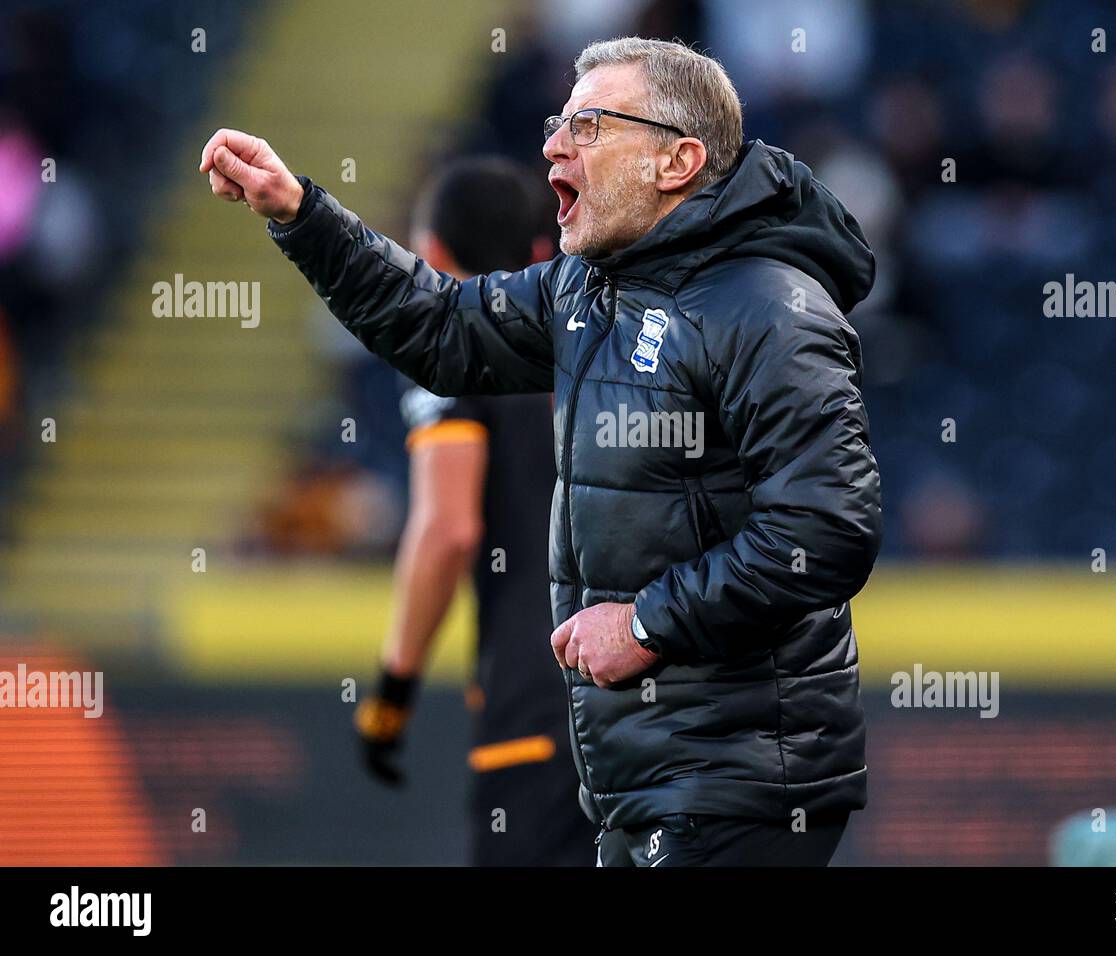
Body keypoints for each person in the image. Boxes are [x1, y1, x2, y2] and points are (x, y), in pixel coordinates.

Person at [200, 36, 882, 867]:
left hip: (739, 783)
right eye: (560, 120)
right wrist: (299, 213)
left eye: (589, 125)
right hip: (639, 782)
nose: (553, 145)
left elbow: (827, 531)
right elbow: (442, 330)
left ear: (678, 160)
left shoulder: (770, 307)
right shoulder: (590, 291)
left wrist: (646, 622)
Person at [351, 157, 594, 865]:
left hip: (535, 711)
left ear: (429, 256)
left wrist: (393, 691)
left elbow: (448, 528)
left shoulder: (453, 350)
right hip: (651, 729)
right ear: (543, 252)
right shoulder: (611, 341)